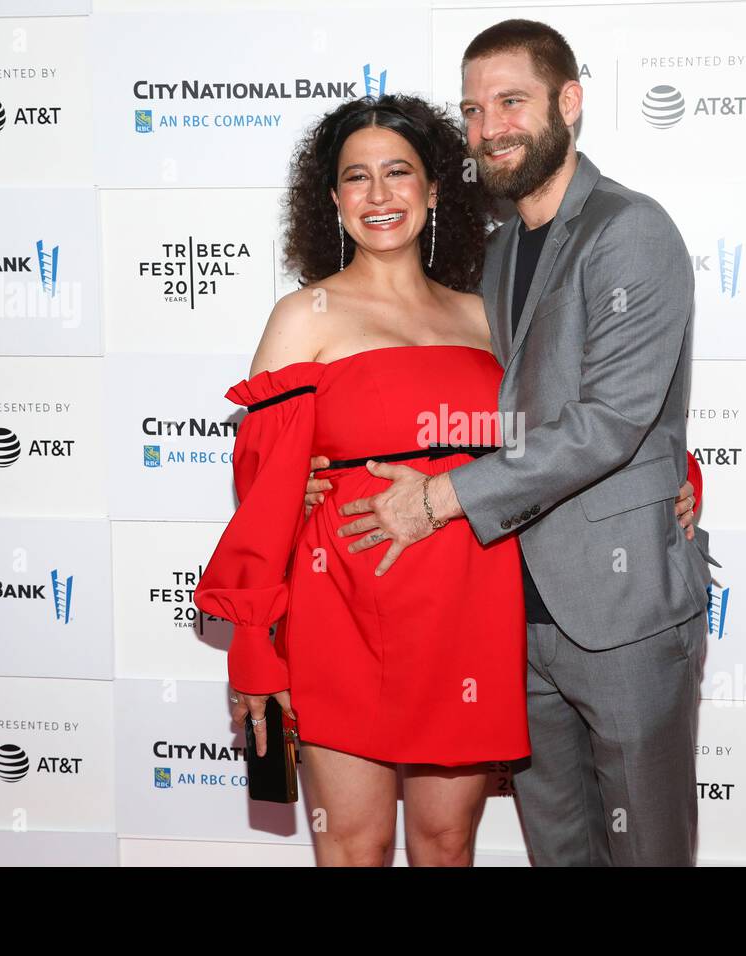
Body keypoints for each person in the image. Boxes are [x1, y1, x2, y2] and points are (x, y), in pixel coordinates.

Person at [333, 19, 716, 866]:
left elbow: (611, 420)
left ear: (568, 103)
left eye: (512, 102)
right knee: (558, 852)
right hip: (511, 614)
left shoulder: (630, 229)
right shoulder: (500, 253)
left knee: (649, 851)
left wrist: (439, 499)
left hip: (622, 612)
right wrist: (327, 469)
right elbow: (491, 406)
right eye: (473, 111)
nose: (490, 128)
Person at [193, 94, 533, 867]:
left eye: (398, 172)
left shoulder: (487, 318)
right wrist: (253, 642)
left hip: (470, 602)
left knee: (448, 843)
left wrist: (672, 477)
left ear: (436, 189)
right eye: (356, 177)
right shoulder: (304, 316)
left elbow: (563, 437)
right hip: (343, 604)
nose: (379, 195)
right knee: (355, 845)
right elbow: (265, 496)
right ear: (334, 198)